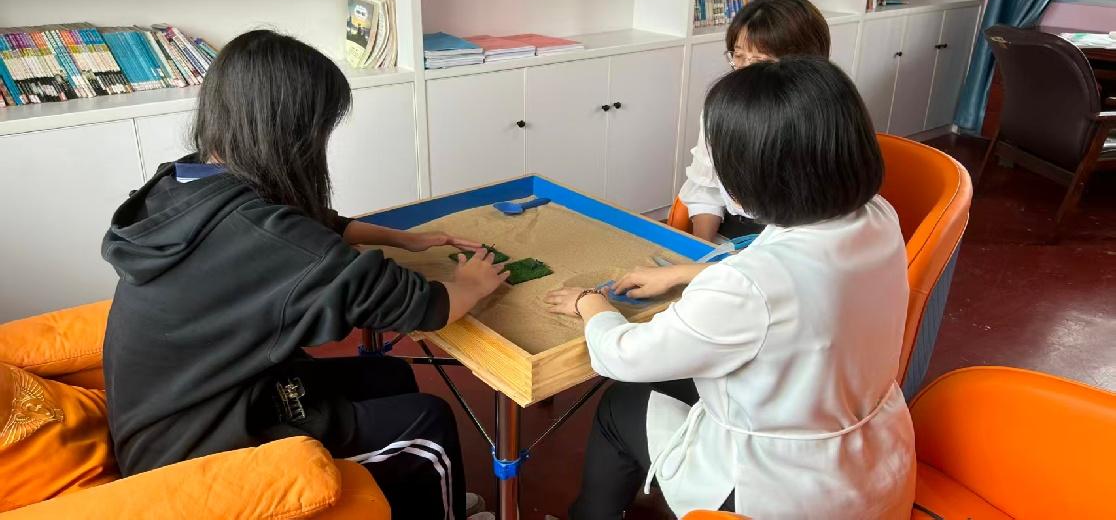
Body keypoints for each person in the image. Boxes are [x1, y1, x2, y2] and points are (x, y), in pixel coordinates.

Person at [102, 30, 505, 520]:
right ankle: (437, 486)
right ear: (289, 131)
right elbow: (422, 307)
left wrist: (402, 239)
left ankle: (418, 488)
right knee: (429, 420)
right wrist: (473, 283)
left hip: (188, 411)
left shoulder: (186, 180)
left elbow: (304, 222)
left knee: (391, 373)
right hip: (200, 454)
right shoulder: (267, 238)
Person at [547, 56, 915, 519]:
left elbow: (623, 356)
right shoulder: (878, 215)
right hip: (872, 464)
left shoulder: (747, 286)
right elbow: (800, 282)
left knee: (621, 406)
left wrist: (590, 303)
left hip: (777, 495)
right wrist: (685, 273)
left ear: (754, 175)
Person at [681, 0, 831, 242]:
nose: (744, 71)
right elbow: (706, 187)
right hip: (734, 232)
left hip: (796, 238)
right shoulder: (723, 107)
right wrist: (703, 249)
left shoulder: (824, 119)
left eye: (761, 61)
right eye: (738, 56)